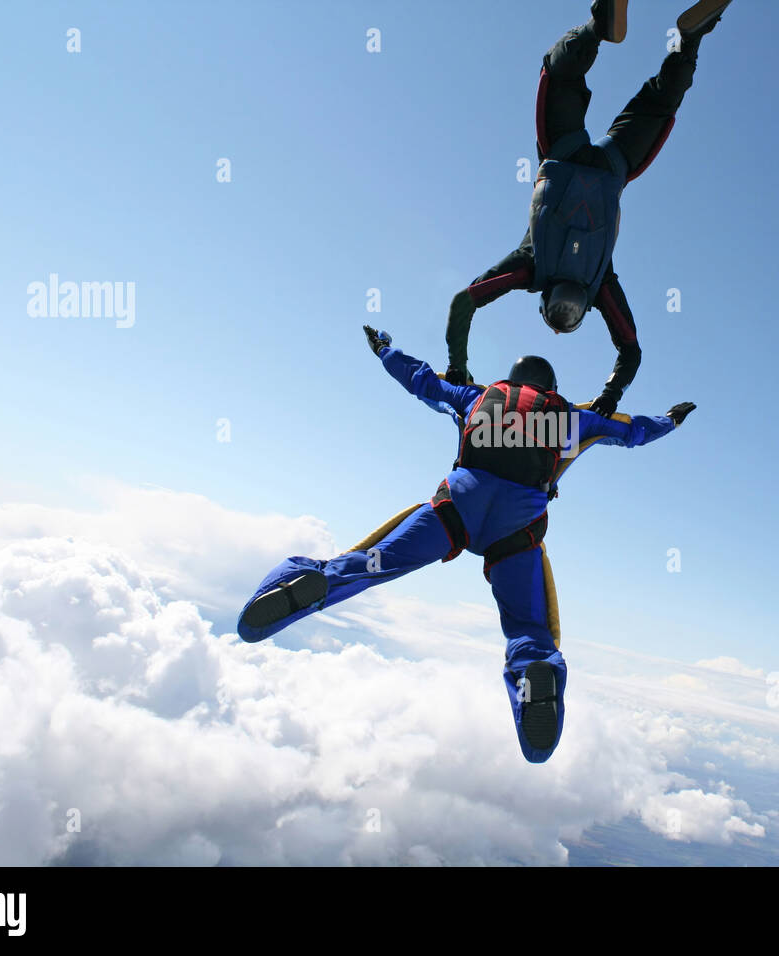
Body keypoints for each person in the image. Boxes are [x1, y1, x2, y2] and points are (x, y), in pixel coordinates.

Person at [237, 324, 696, 763]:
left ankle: (312, 583)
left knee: (372, 563)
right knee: (529, 629)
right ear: (551, 386)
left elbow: (420, 381)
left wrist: (383, 349)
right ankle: (534, 673)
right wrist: (671, 421)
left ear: (513, 380)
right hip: (517, 528)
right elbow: (632, 429)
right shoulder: (575, 418)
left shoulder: (477, 396)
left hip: (458, 504)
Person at [443, 0, 732, 417]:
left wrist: (610, 397)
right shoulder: (532, 269)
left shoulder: (596, 286)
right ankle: (599, 26)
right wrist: (458, 367)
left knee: (659, 104)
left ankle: (689, 43)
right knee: (559, 75)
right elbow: (462, 303)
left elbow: (631, 351)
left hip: (612, 168)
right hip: (563, 156)